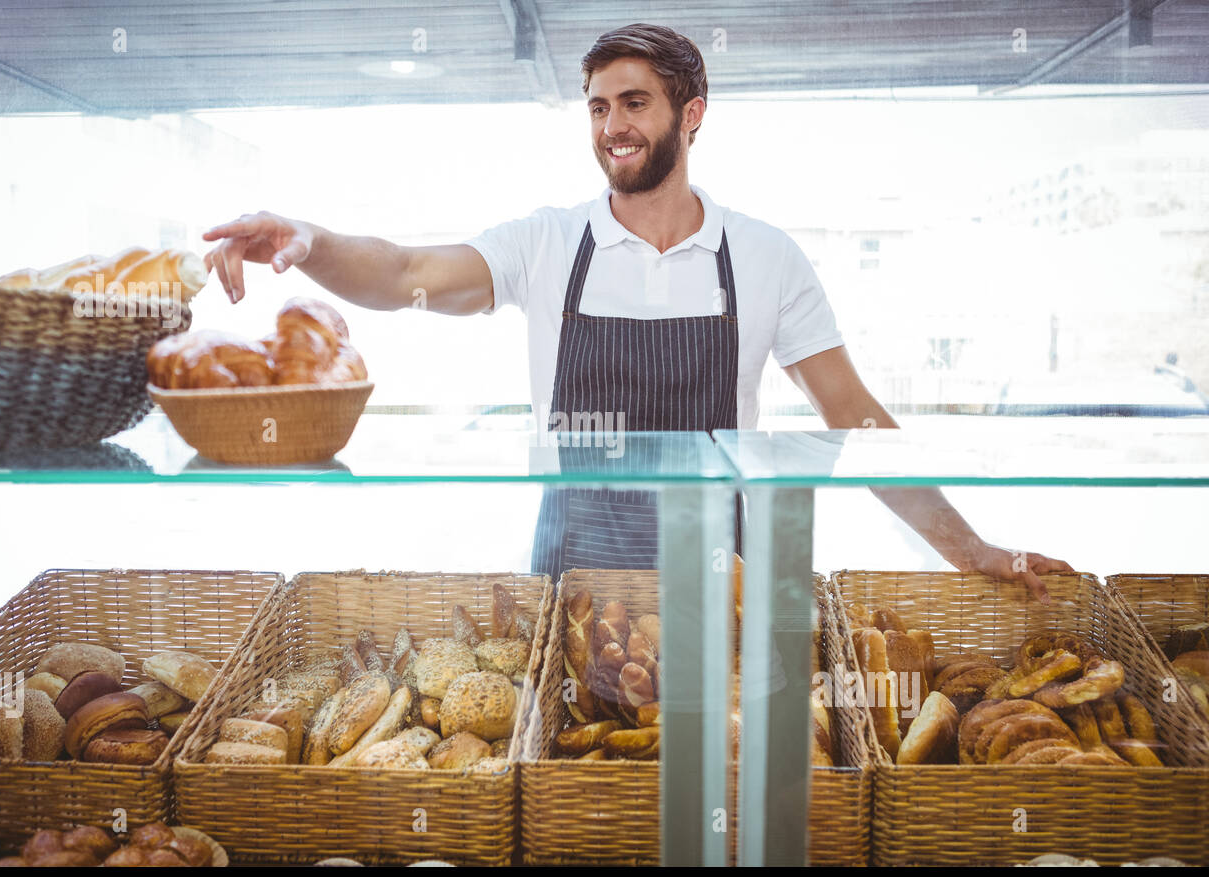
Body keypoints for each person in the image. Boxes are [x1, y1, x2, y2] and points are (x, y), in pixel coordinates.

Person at [202, 22, 1072, 601]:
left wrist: (971, 550)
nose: (611, 126)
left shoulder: (765, 257)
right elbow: (402, 272)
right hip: (574, 576)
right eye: (597, 107)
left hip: (722, 580)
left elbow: (855, 420)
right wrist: (306, 238)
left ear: (691, 115)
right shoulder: (547, 245)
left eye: (634, 104)